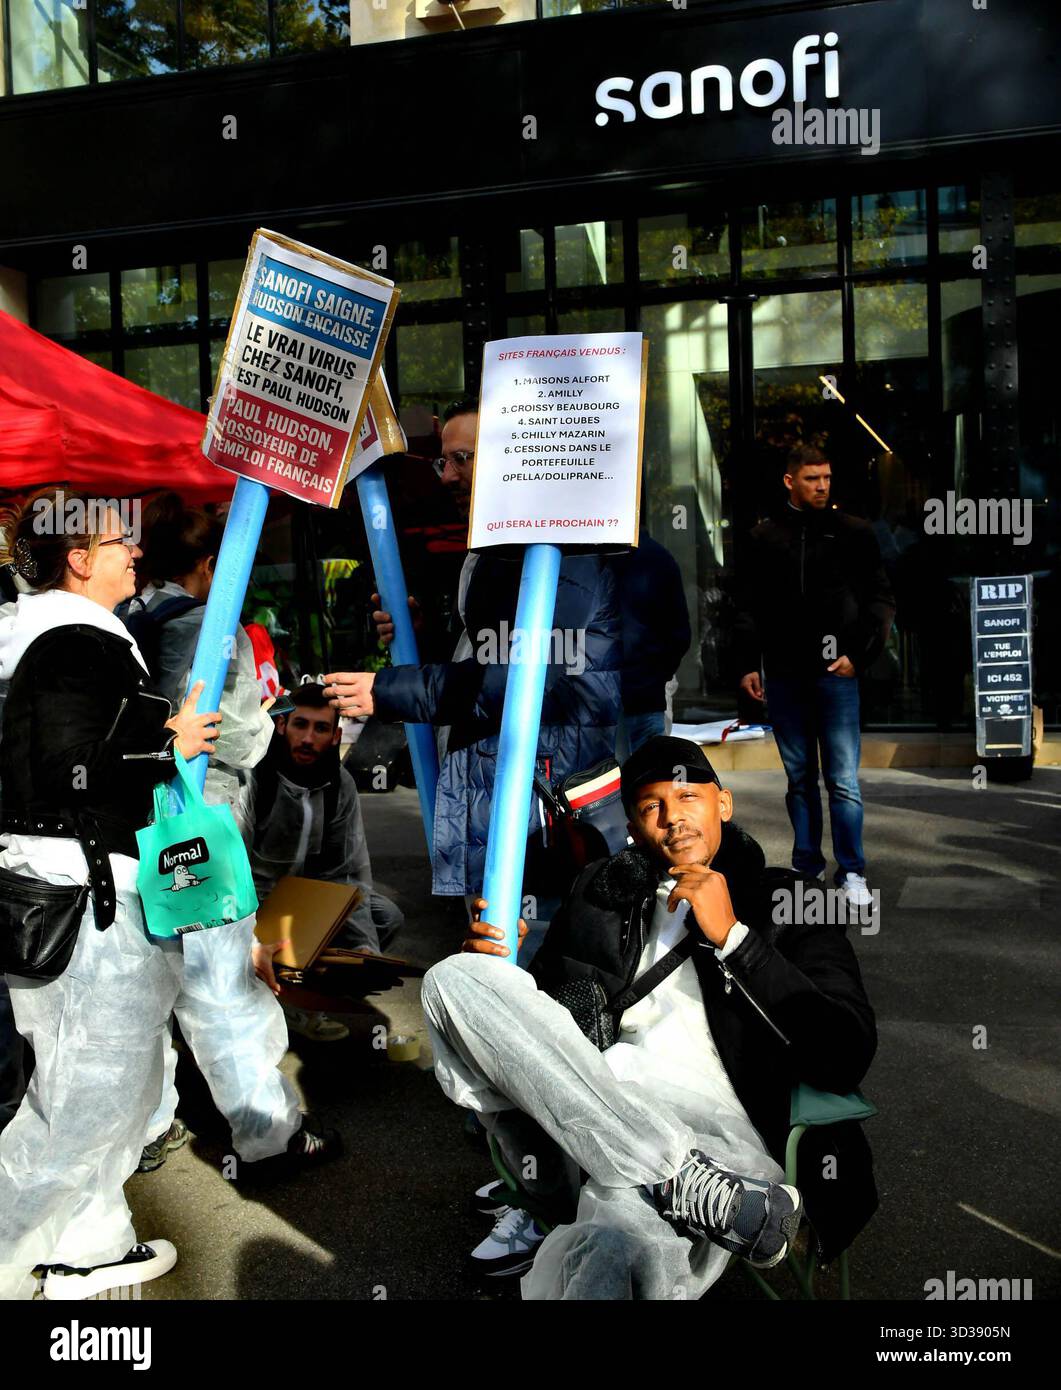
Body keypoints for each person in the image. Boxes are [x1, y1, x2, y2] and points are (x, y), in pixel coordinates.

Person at [420, 736, 877, 1298]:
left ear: (724, 804)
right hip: (593, 1104)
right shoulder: (599, 896)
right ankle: (678, 1176)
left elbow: (846, 1051)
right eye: (651, 806)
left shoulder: (790, 899)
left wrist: (736, 940)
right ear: (634, 828)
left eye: (688, 797)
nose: (674, 818)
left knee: (617, 1243)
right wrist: (505, 971)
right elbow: (537, 1028)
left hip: (720, 1129)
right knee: (453, 979)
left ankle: (670, 1173)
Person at [0, 491, 219, 1299]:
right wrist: (169, 741)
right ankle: (14, 1253)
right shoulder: (72, 638)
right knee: (92, 1090)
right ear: (78, 559)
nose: (135, 553)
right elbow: (66, 767)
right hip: (84, 896)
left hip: (63, 888)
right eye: (117, 543)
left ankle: (90, 1243)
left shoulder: (46, 634)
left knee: (89, 1087)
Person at [331, 398, 622, 910]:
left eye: (463, 458)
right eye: (444, 461)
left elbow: (515, 679)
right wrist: (423, 640)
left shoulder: (563, 554)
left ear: (518, 455)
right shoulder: (492, 551)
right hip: (498, 793)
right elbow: (483, 654)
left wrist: (388, 689)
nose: (447, 476)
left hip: (543, 810)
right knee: (493, 959)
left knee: (529, 967)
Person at [125, 493, 339, 1174]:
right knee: (222, 987)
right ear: (210, 563)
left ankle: (146, 1126)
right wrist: (269, 710)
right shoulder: (216, 632)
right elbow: (244, 744)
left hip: (125, 826)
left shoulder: (117, 620)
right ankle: (268, 1135)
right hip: (202, 823)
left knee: (143, 989)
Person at [733, 445, 895, 909]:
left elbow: (880, 601)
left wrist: (858, 658)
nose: (822, 486)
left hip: (836, 676)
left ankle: (853, 870)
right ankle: (806, 868)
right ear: (790, 481)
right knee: (799, 778)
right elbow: (746, 607)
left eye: (826, 477)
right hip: (785, 677)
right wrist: (747, 664)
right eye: (812, 479)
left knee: (842, 779)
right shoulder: (764, 538)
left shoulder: (854, 533)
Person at [245, 683, 404, 1041]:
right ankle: (265, 999)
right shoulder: (256, 775)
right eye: (300, 724)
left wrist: (364, 950)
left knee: (384, 918)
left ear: (336, 736)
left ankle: (306, 999)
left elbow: (348, 873)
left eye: (320, 728)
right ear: (282, 725)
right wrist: (245, 937)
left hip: (302, 899)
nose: (308, 738)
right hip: (252, 904)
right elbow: (229, 870)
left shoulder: (340, 784)